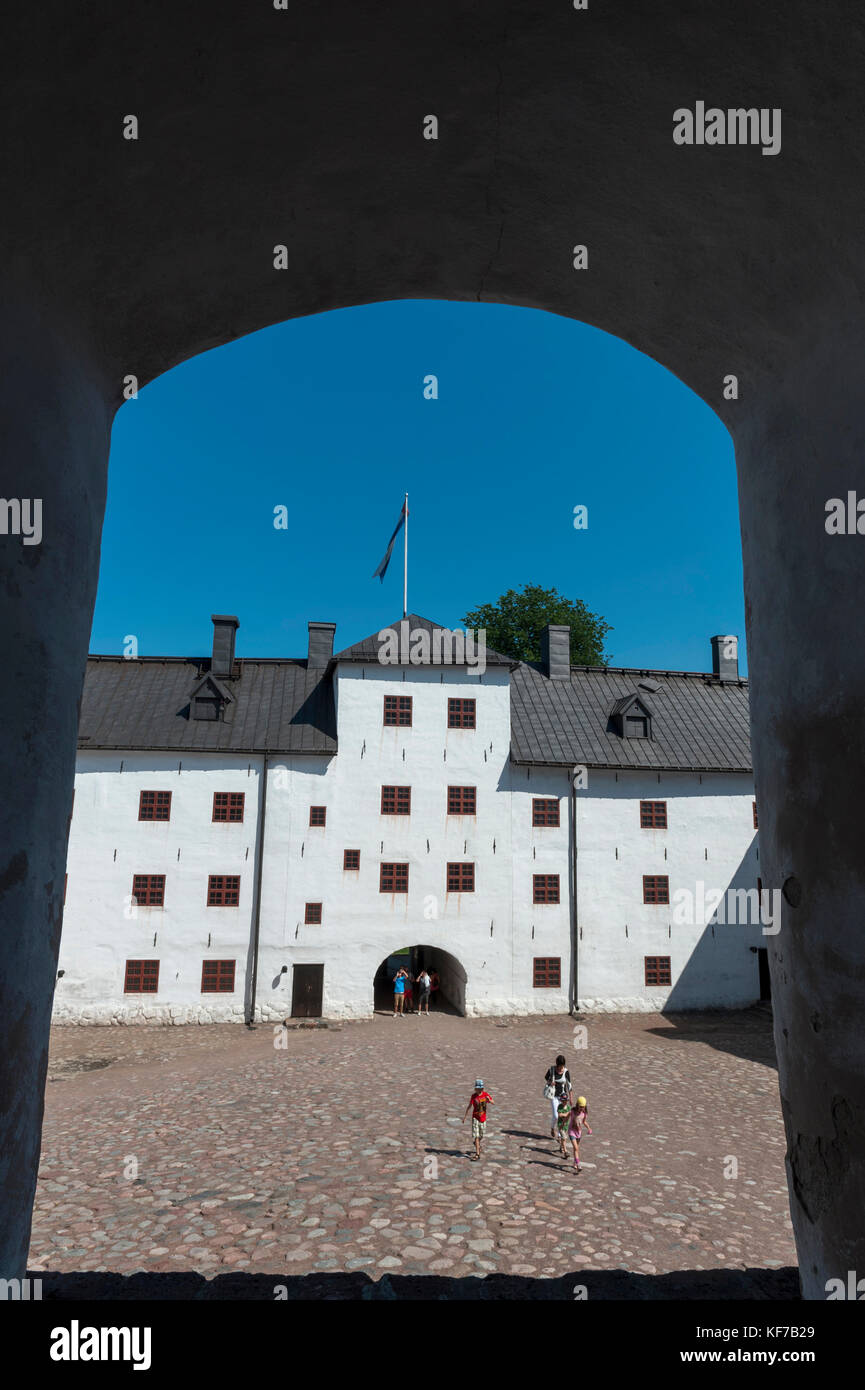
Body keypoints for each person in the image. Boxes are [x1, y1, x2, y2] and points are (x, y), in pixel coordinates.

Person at [462, 1078, 494, 1161]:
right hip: (475, 1118)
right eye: (477, 1089)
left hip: (483, 1118)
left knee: (481, 1135)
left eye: (480, 1089)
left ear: (482, 1089)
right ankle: (477, 1154)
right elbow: (469, 1106)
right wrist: (465, 1116)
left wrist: (489, 1100)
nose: (479, 1090)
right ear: (475, 1089)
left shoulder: (485, 1095)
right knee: (476, 1136)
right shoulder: (473, 1096)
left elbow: (493, 1102)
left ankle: (477, 1144)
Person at [544, 1054, 573, 1136]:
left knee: (563, 1117)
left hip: (563, 1098)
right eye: (559, 1066)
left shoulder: (566, 1072)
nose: (560, 1068)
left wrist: (570, 1098)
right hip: (553, 1096)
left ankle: (561, 1136)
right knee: (556, 1115)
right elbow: (546, 1078)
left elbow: (569, 1086)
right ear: (557, 1064)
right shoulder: (552, 1070)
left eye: (562, 1066)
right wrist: (550, 1082)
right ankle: (552, 1128)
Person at [568, 1096, 593, 1172]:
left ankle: (574, 1162)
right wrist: (562, 1124)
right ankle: (578, 1164)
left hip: (578, 1133)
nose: (582, 1108)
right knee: (576, 1148)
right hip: (571, 1131)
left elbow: (584, 1122)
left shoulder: (584, 1114)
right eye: (580, 1107)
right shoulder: (572, 1111)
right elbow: (567, 1117)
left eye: (583, 1107)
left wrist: (589, 1128)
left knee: (576, 1149)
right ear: (577, 1105)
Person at [555, 1090, 573, 1158]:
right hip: (560, 1125)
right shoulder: (560, 1106)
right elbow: (560, 1115)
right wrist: (566, 1114)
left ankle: (561, 1147)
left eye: (565, 1100)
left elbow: (569, 1115)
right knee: (564, 1138)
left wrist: (566, 1115)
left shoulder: (568, 1107)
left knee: (564, 1138)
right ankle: (565, 1151)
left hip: (566, 1125)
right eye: (563, 1101)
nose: (564, 1102)